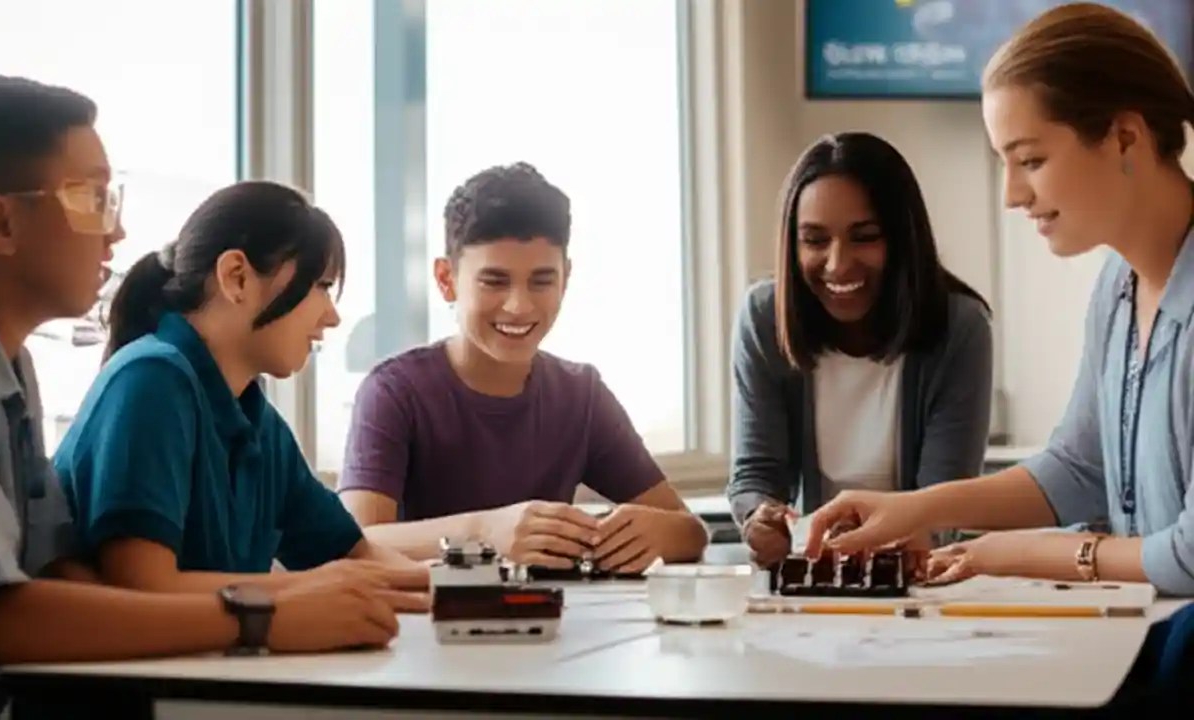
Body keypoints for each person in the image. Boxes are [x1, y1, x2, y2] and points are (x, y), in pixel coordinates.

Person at [0, 75, 409, 720]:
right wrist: (265, 616)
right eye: (92, 197)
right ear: (0, 223)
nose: (115, 233)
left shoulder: (6, 366)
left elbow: (63, 573)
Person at [803, 2, 1194, 599]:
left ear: (1124, 137)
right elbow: (1078, 469)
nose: (1012, 195)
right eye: (1004, 163)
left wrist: (1026, 553)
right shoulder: (1119, 288)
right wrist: (915, 510)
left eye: (1031, 160)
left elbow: (1189, 556)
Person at [53, 180, 428, 604]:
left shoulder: (256, 419)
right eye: (321, 285)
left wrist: (468, 591)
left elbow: (357, 556)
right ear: (236, 278)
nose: (333, 317)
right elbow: (144, 587)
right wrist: (314, 587)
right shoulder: (151, 380)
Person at [337, 162, 708, 571]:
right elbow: (356, 544)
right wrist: (484, 531)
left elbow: (690, 530)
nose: (519, 306)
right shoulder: (394, 391)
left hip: (552, 627)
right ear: (447, 279)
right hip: (424, 626)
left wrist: (659, 532)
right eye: (494, 281)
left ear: (566, 278)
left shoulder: (580, 394)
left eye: (542, 281)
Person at [726, 132, 995, 568]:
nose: (837, 264)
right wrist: (761, 518)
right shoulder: (764, 317)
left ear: (903, 240)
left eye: (865, 236)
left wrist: (879, 539)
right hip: (814, 574)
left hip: (916, 578)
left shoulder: (960, 327)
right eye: (814, 241)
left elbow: (945, 503)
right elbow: (756, 476)